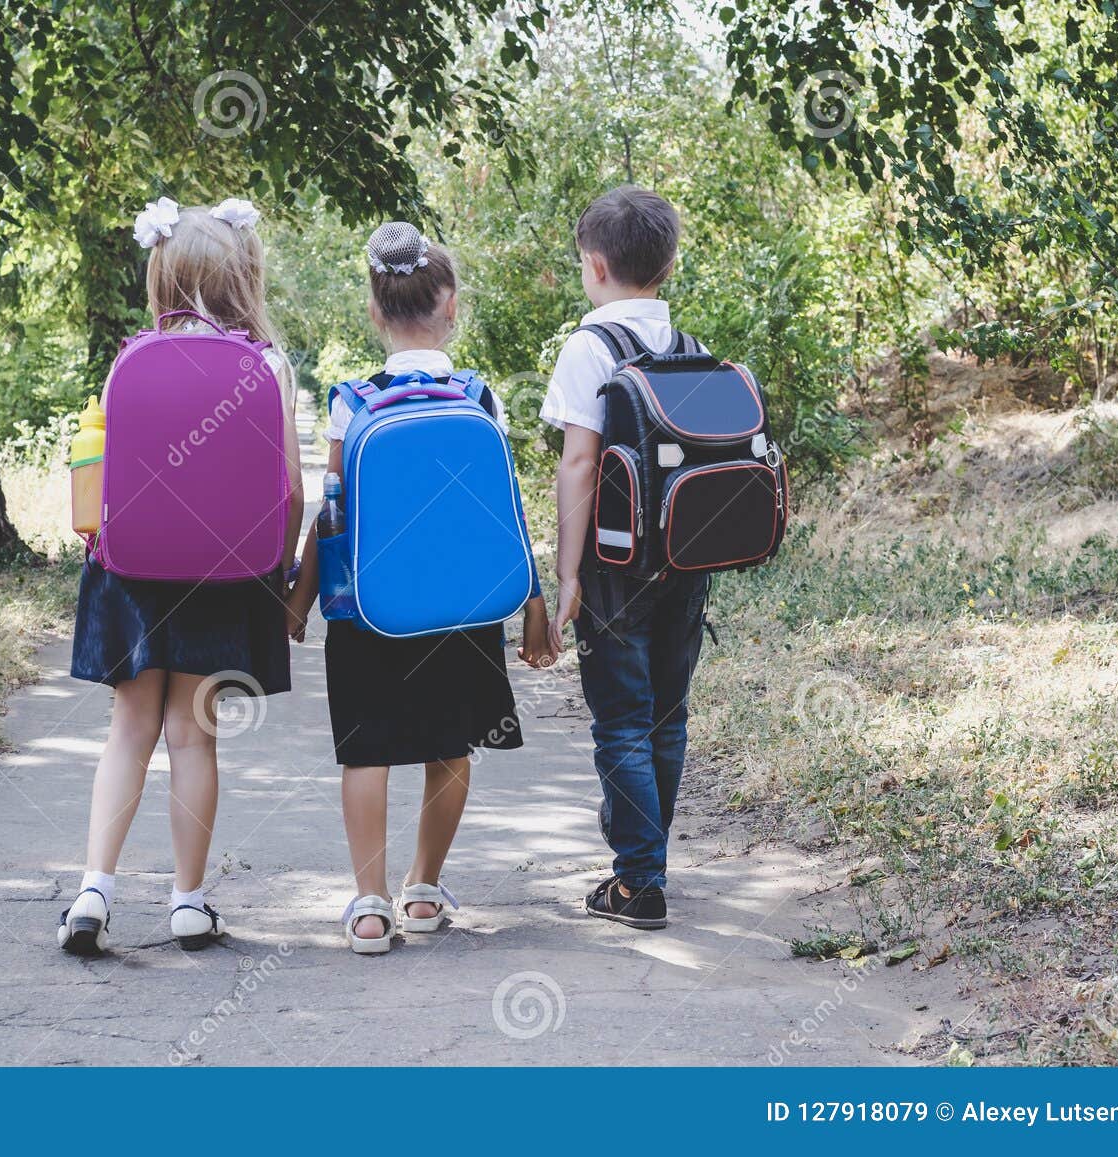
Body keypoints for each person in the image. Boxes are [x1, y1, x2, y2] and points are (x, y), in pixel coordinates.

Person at [286, 222, 553, 955]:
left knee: (366, 754)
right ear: (452, 307)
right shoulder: (479, 396)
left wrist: (300, 597)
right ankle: (425, 890)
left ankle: (370, 907)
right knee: (450, 748)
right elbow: (506, 510)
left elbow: (332, 512)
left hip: (368, 611)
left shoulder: (352, 401)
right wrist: (534, 602)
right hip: (464, 608)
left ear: (374, 312)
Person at [58, 196, 303, 954]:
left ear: (161, 274)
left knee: (128, 732)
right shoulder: (268, 365)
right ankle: (188, 901)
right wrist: (282, 575)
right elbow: (289, 490)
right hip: (224, 578)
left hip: (133, 575)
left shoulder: (129, 360)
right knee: (193, 740)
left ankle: (94, 888)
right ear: (245, 276)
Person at [541, 186, 710, 930]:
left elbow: (579, 465)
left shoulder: (590, 348)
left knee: (620, 720)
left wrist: (568, 573)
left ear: (596, 265)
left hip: (615, 568)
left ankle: (640, 879)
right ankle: (648, 860)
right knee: (666, 717)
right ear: (668, 264)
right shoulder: (689, 348)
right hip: (686, 560)